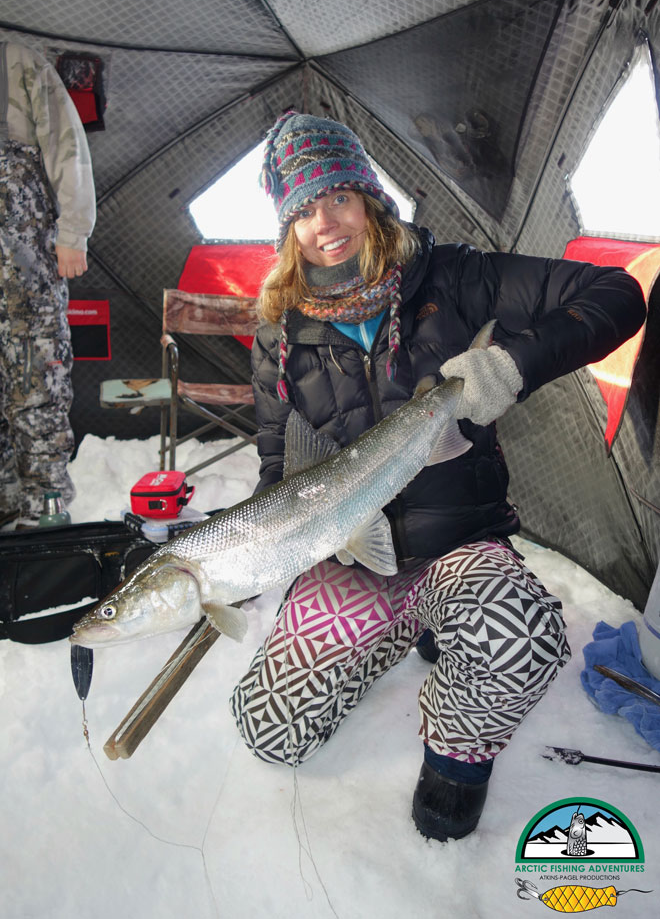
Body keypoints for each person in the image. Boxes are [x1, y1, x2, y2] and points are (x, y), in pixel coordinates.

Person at [229, 111, 646, 841]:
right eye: (302, 210)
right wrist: (263, 546)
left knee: (518, 640)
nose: (324, 224)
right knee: (271, 730)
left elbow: (618, 295)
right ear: (286, 229)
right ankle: (397, 632)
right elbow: (277, 464)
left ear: (368, 199)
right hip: (353, 556)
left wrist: (512, 364)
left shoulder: (455, 277)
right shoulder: (277, 336)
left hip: (461, 543)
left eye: (337, 198)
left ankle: (457, 757)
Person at [0, 42, 96, 528]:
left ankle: (45, 513)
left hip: (24, 269)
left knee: (36, 384)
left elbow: (65, 141)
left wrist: (73, 231)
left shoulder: (16, 59)